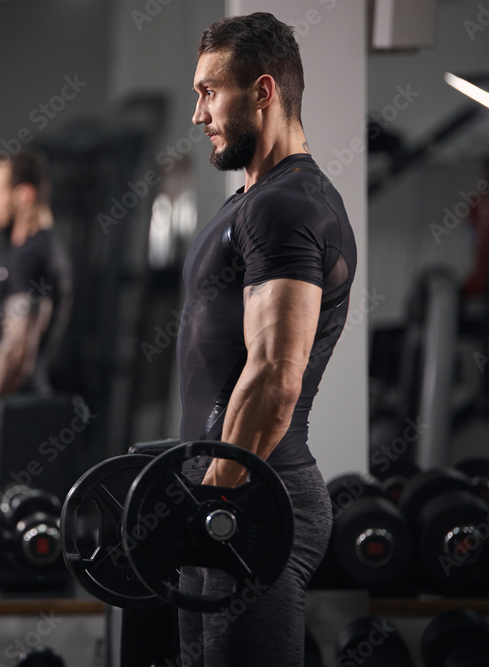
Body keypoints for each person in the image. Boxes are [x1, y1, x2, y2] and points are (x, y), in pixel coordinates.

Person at [176, 13, 357, 666]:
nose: (198, 115)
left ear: (262, 91)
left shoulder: (287, 207)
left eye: (208, 92)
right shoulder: (251, 202)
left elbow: (276, 372)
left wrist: (216, 493)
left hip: (254, 496)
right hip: (226, 491)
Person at [0, 150, 72, 403]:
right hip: (17, 404)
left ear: (24, 195)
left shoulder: (31, 255)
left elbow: (17, 349)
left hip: (15, 406)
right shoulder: (26, 251)